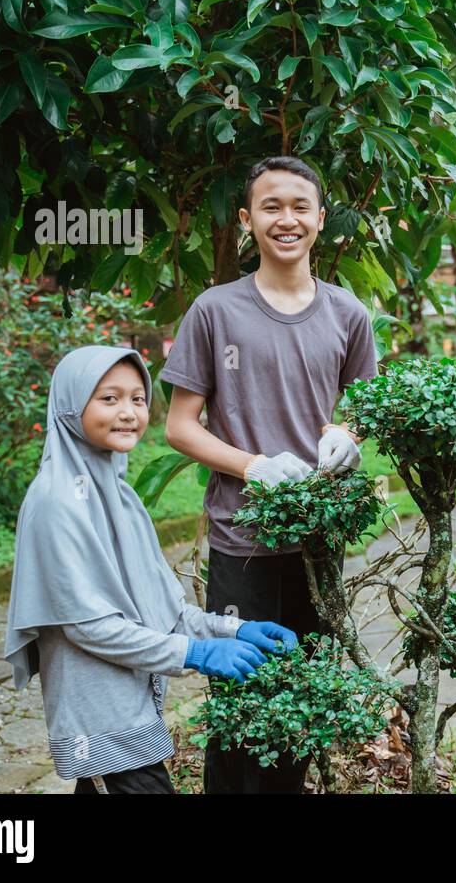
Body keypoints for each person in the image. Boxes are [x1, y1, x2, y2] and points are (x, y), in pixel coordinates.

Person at [161, 155, 378, 793]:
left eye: (300, 207)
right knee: (241, 704)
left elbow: (364, 410)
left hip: (318, 544)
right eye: (271, 206)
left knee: (303, 701)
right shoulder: (215, 310)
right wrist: (253, 465)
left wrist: (348, 434)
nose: (287, 219)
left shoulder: (348, 314)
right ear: (248, 219)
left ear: (321, 218)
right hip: (241, 543)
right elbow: (180, 425)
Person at [4, 345, 297, 794]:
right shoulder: (55, 502)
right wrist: (195, 655)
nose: (128, 413)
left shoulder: (120, 496)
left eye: (138, 399)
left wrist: (234, 630)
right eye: (109, 399)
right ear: (69, 404)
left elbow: (166, 610)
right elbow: (89, 627)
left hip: (133, 718)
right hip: (101, 728)